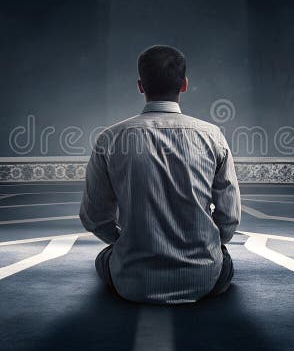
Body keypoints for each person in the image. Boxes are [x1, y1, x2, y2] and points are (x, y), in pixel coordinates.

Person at [79, 45, 241, 304]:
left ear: (140, 86)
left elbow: (94, 217)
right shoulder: (213, 136)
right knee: (225, 259)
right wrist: (211, 245)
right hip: (205, 280)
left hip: (130, 282)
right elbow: (229, 218)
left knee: (103, 258)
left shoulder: (109, 138)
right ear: (185, 85)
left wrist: (124, 242)